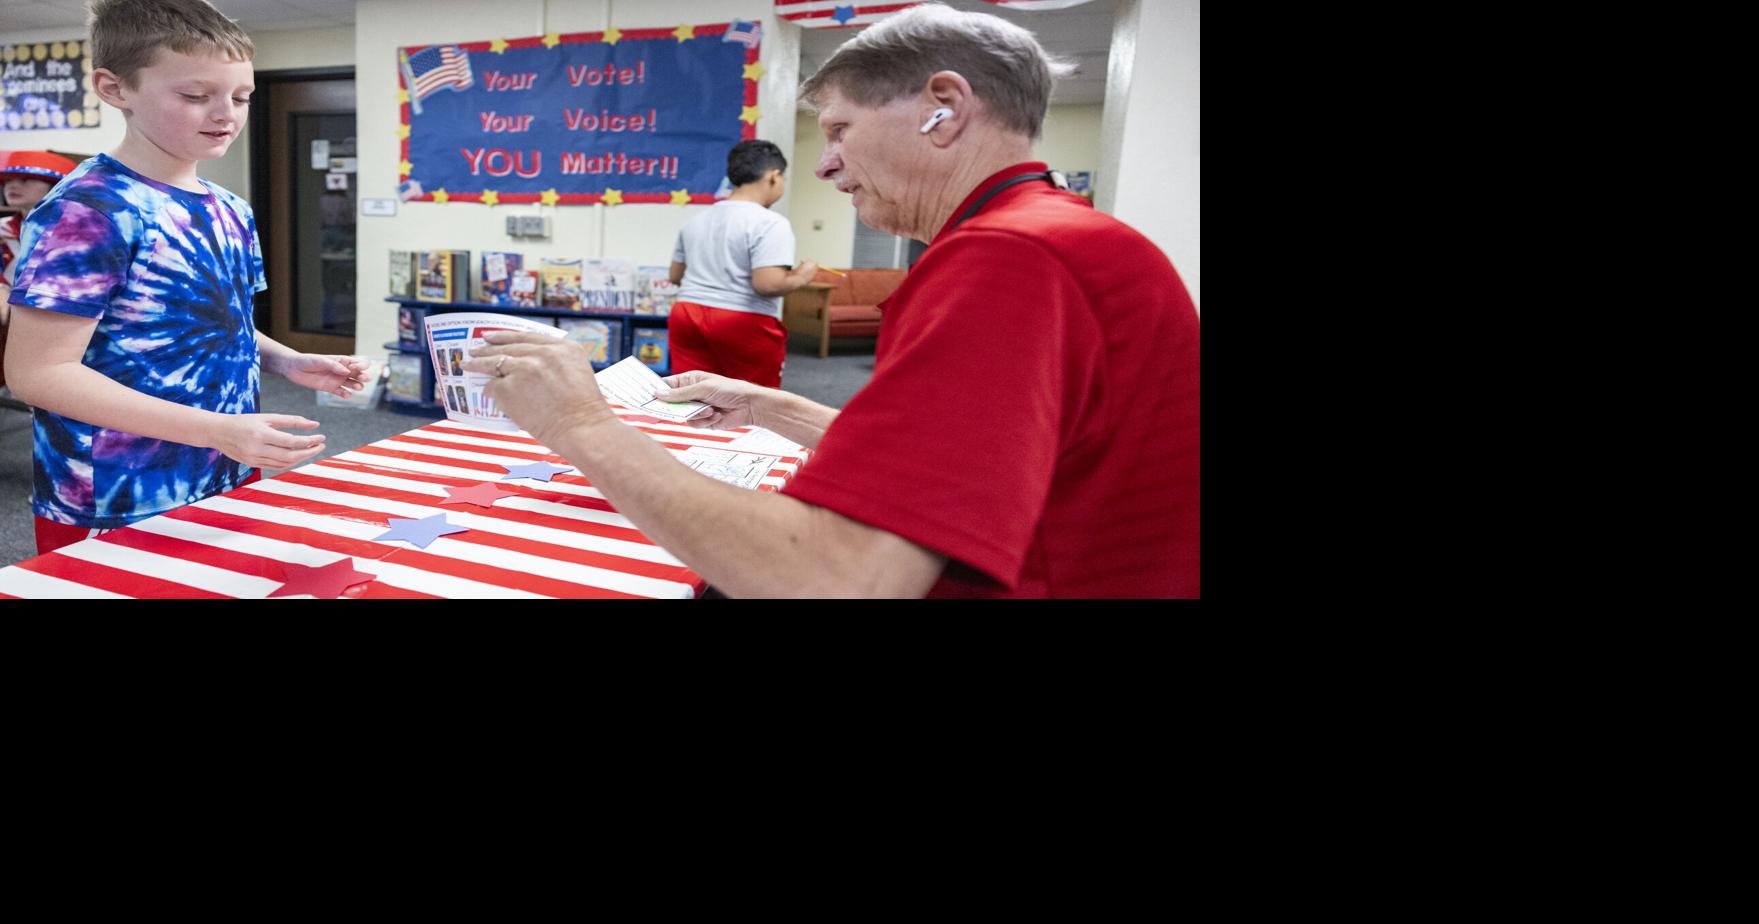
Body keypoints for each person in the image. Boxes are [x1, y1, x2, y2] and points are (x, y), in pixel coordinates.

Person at [466, 2, 1199, 597]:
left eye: (841, 129)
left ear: (942, 107)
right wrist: (770, 406)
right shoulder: (1052, 234)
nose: (826, 162)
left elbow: (837, 579)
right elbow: (966, 459)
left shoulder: (1008, 255)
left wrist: (578, 422)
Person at [3, 0, 369, 555]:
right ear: (114, 87)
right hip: (117, 489)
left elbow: (215, 323)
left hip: (224, 465)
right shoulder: (88, 212)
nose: (226, 114)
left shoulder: (230, 208)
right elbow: (38, 373)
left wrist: (286, 361)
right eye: (195, 96)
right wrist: (217, 430)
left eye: (241, 97)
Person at [665, 139, 819, 388]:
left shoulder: (696, 220)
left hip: (687, 314)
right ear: (774, 176)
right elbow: (768, 285)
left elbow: (674, 275)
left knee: (692, 395)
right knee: (754, 403)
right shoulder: (770, 222)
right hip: (742, 320)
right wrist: (804, 274)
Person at [2, 151, 80, 388]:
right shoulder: (3, 230)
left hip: (63, 321)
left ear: (54, 185)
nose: (12, 186)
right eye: (7, 181)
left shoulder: (79, 230)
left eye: (25, 180)